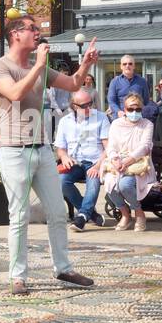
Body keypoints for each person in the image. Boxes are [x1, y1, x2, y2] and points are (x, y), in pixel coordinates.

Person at [0, 15, 98, 295]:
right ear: (15, 34)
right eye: (32, 29)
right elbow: (14, 93)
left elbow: (73, 85)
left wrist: (85, 63)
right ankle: (18, 276)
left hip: (42, 148)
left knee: (58, 212)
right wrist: (38, 65)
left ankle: (63, 268)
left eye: (38, 28)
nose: (38, 32)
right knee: (20, 215)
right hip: (13, 150)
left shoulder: (41, 67)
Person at [98, 93, 156, 232]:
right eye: (130, 109)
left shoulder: (147, 124)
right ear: (124, 110)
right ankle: (125, 214)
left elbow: (145, 146)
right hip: (117, 163)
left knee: (124, 185)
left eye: (138, 109)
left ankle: (139, 213)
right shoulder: (116, 124)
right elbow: (111, 146)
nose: (134, 112)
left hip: (139, 164)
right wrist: (115, 159)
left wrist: (128, 161)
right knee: (110, 185)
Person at [55, 89, 110, 231]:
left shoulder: (101, 117)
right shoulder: (64, 122)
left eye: (90, 104)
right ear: (74, 106)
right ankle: (91, 214)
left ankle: (82, 217)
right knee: (62, 182)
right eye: (84, 106)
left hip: (95, 162)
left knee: (93, 182)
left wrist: (98, 166)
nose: (88, 108)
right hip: (74, 162)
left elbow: (108, 147)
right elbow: (60, 148)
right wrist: (64, 157)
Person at [106, 54, 152, 121]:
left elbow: (146, 100)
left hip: (137, 118)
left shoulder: (142, 81)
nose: (127, 66)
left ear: (134, 66)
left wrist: (139, 111)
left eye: (130, 64)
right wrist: (118, 111)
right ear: (121, 66)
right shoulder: (114, 82)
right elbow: (111, 101)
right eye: (124, 64)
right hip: (120, 118)